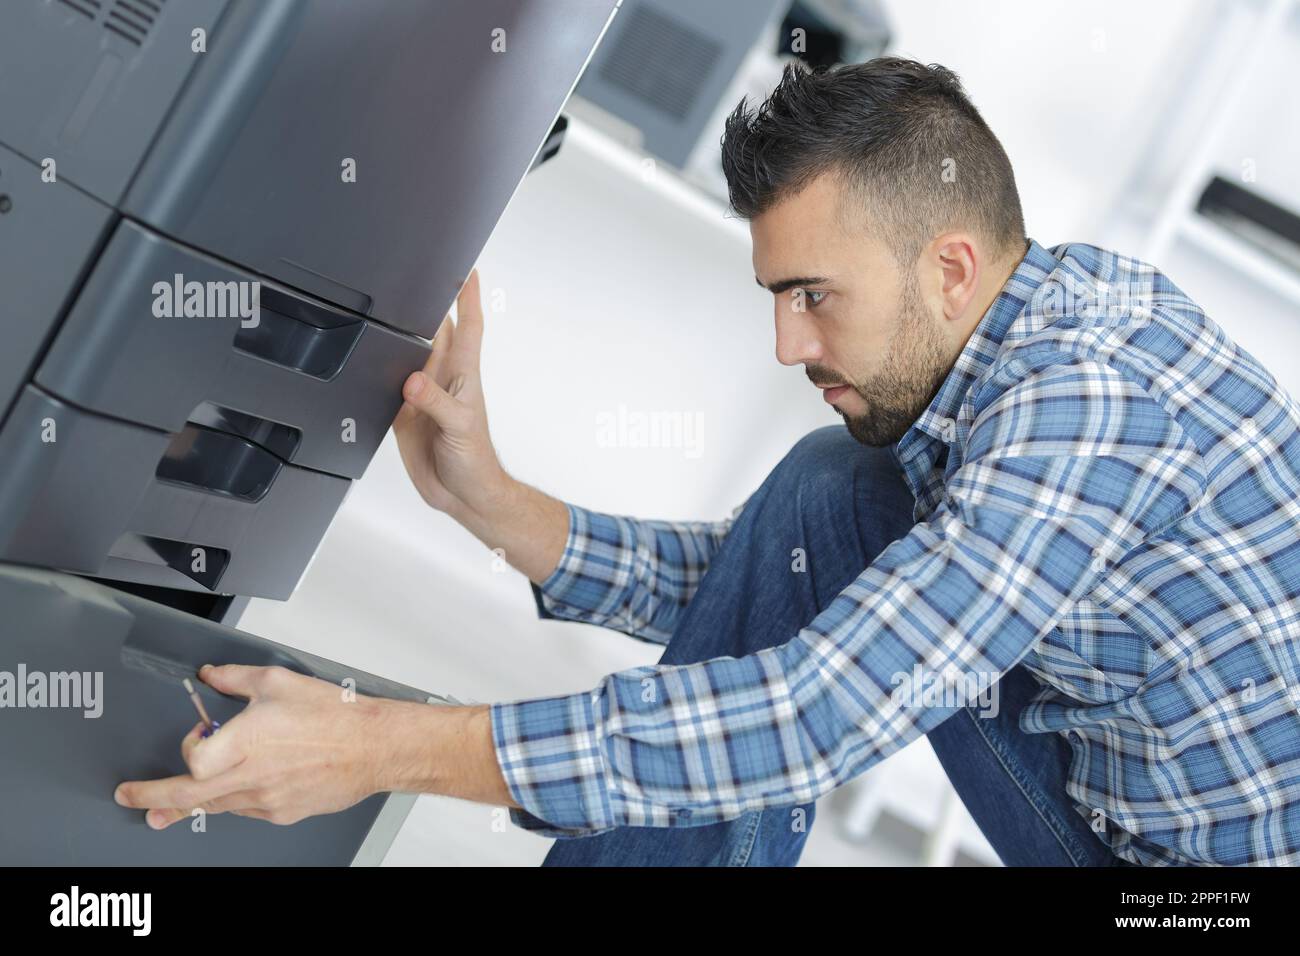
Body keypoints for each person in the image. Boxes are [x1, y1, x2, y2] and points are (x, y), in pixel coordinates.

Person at [116, 58, 1300, 867]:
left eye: (812, 296)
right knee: (829, 487)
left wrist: (373, 745)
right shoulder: (1025, 311)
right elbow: (803, 592)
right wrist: (496, 503)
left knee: (827, 522)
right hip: (1118, 805)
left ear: (946, 267)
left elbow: (816, 707)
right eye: (777, 296)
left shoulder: (1084, 403)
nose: (786, 342)